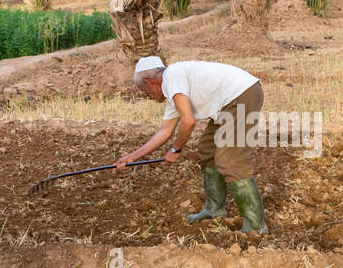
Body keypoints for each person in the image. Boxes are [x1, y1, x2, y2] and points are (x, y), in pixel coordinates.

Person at [115, 56, 269, 234]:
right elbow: (165, 132)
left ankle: (256, 227)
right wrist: (131, 157)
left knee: (231, 161)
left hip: (241, 95)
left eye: (145, 92)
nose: (148, 97)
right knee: (207, 149)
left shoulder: (172, 76)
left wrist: (176, 149)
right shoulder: (174, 91)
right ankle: (214, 210)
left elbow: (188, 121)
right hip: (228, 104)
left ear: (149, 82)